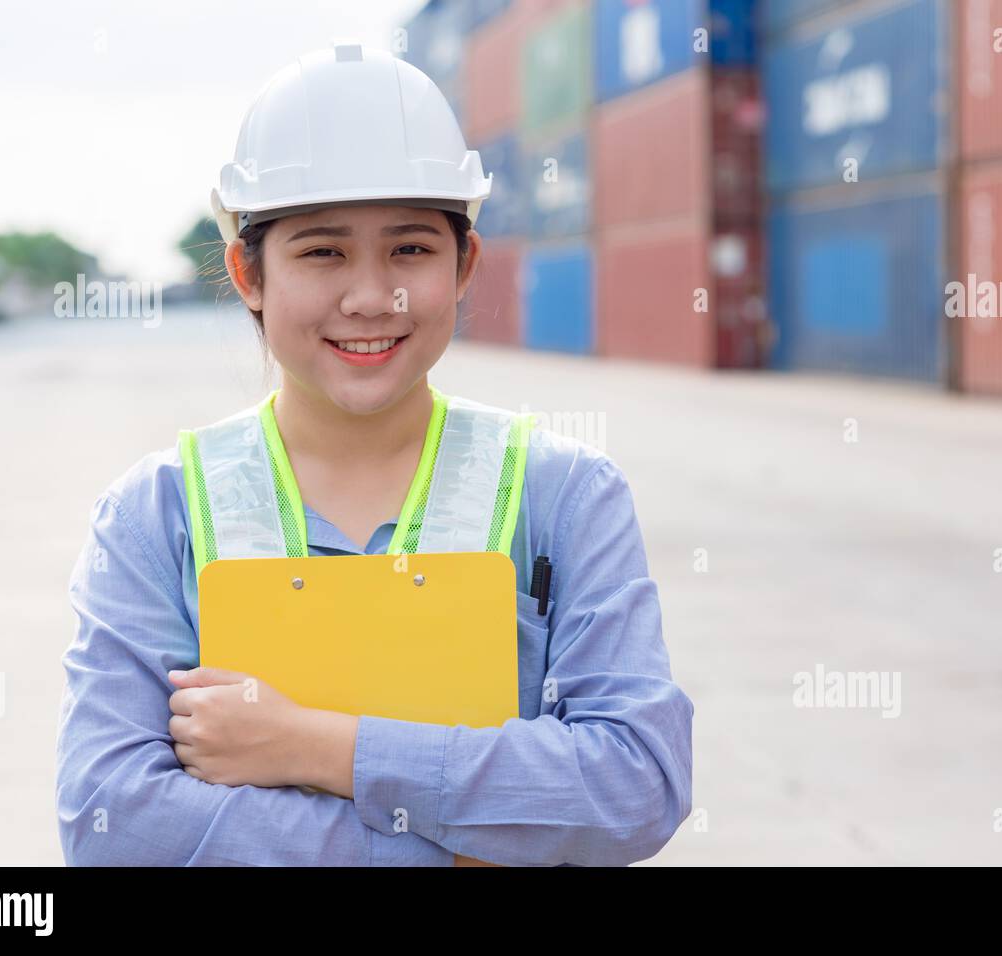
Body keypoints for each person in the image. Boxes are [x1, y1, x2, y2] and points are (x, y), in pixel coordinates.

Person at [55, 42, 694, 867]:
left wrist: (318, 747)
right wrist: (467, 840)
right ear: (249, 272)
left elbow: (636, 787)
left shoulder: (567, 495)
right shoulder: (156, 516)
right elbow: (113, 824)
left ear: (464, 265)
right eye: (322, 251)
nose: (370, 297)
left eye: (411, 250)